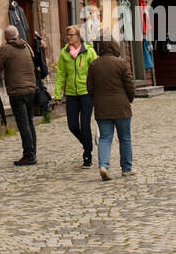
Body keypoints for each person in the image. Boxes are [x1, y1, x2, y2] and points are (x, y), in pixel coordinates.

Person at [0, 24, 38, 166]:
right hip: (31, 89)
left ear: (6, 38)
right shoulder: (27, 46)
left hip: (17, 92)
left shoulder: (6, 50)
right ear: (17, 35)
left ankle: (29, 155)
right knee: (29, 122)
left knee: (23, 123)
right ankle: (32, 152)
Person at [87, 40, 136, 179]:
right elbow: (129, 84)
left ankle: (103, 166)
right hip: (121, 107)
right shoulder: (121, 63)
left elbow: (89, 87)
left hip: (102, 108)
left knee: (105, 138)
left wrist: (96, 99)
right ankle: (126, 168)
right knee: (125, 138)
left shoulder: (94, 64)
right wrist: (129, 99)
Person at [53, 24, 97, 168]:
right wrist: (58, 94)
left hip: (86, 93)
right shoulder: (64, 53)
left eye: (71, 35)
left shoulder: (89, 52)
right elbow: (60, 74)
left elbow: (97, 72)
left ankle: (87, 155)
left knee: (85, 125)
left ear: (79, 36)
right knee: (72, 125)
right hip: (71, 94)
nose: (69, 38)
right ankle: (88, 144)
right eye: (68, 35)